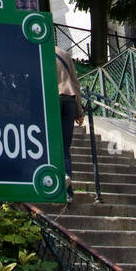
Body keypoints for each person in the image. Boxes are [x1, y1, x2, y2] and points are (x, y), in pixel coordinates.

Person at [55, 46, 84, 202]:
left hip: (53, 99)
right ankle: (68, 192)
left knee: (51, 145)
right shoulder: (64, 53)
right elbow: (75, 82)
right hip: (70, 99)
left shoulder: (40, 51)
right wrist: (79, 112)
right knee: (65, 149)